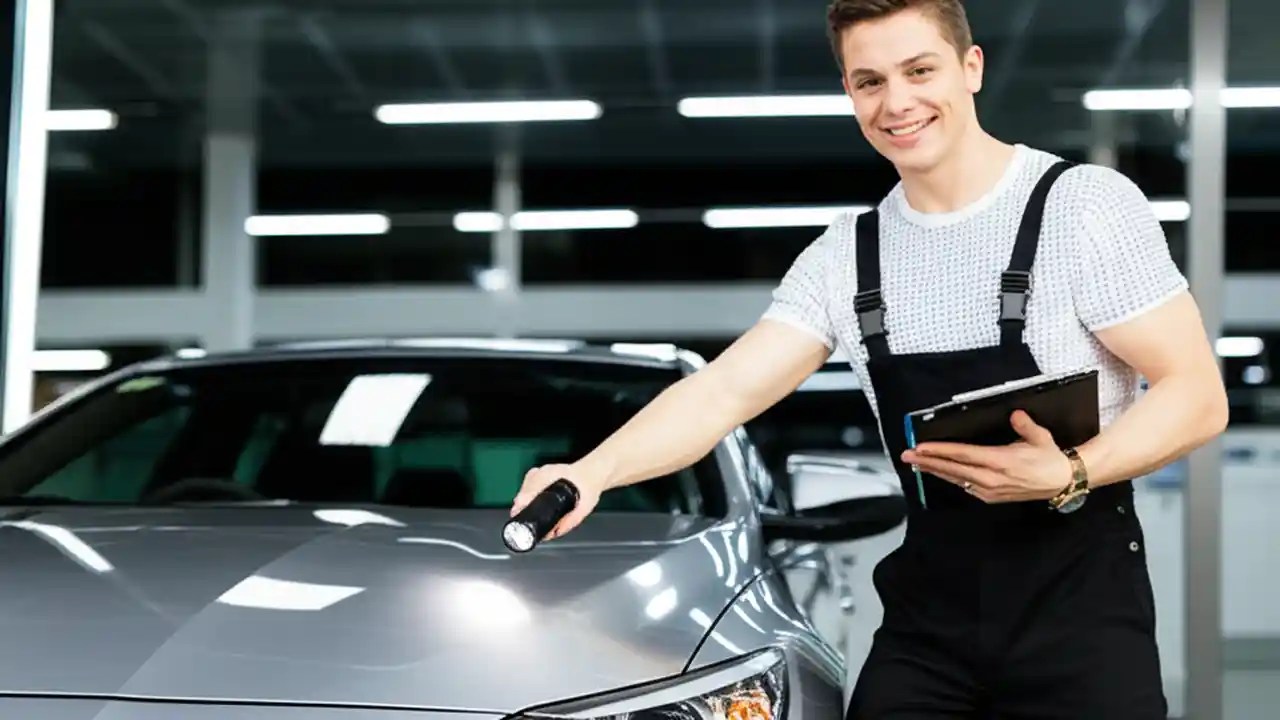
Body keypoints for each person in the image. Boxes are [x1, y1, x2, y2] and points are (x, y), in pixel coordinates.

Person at [510, 0, 1228, 717]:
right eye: (870, 81)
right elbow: (723, 392)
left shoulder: (1081, 209)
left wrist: (1070, 468)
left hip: (1080, 614)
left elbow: (1196, 394)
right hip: (930, 623)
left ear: (970, 68)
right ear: (850, 93)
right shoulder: (848, 256)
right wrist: (590, 472)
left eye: (920, 70)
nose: (898, 102)